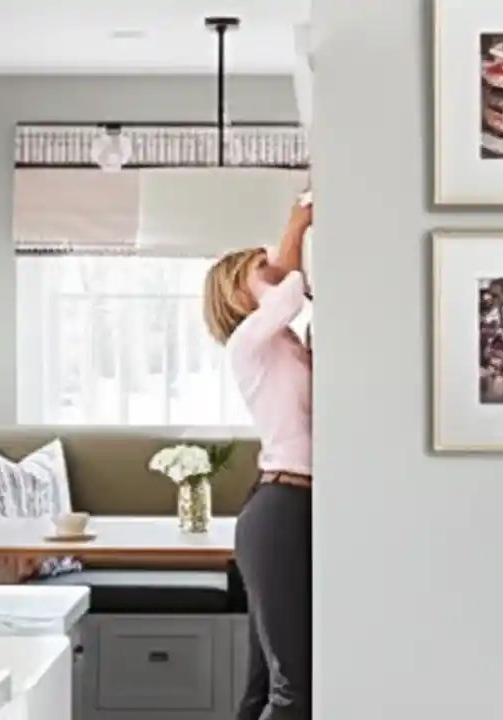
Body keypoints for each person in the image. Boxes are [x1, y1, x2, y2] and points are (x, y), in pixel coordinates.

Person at [202, 197, 313, 720]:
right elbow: (290, 291)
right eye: (261, 272)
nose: (277, 272)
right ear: (238, 296)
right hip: (281, 509)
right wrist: (298, 220)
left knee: (267, 682)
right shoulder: (246, 344)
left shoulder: (287, 345)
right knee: (295, 686)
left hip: (298, 507)